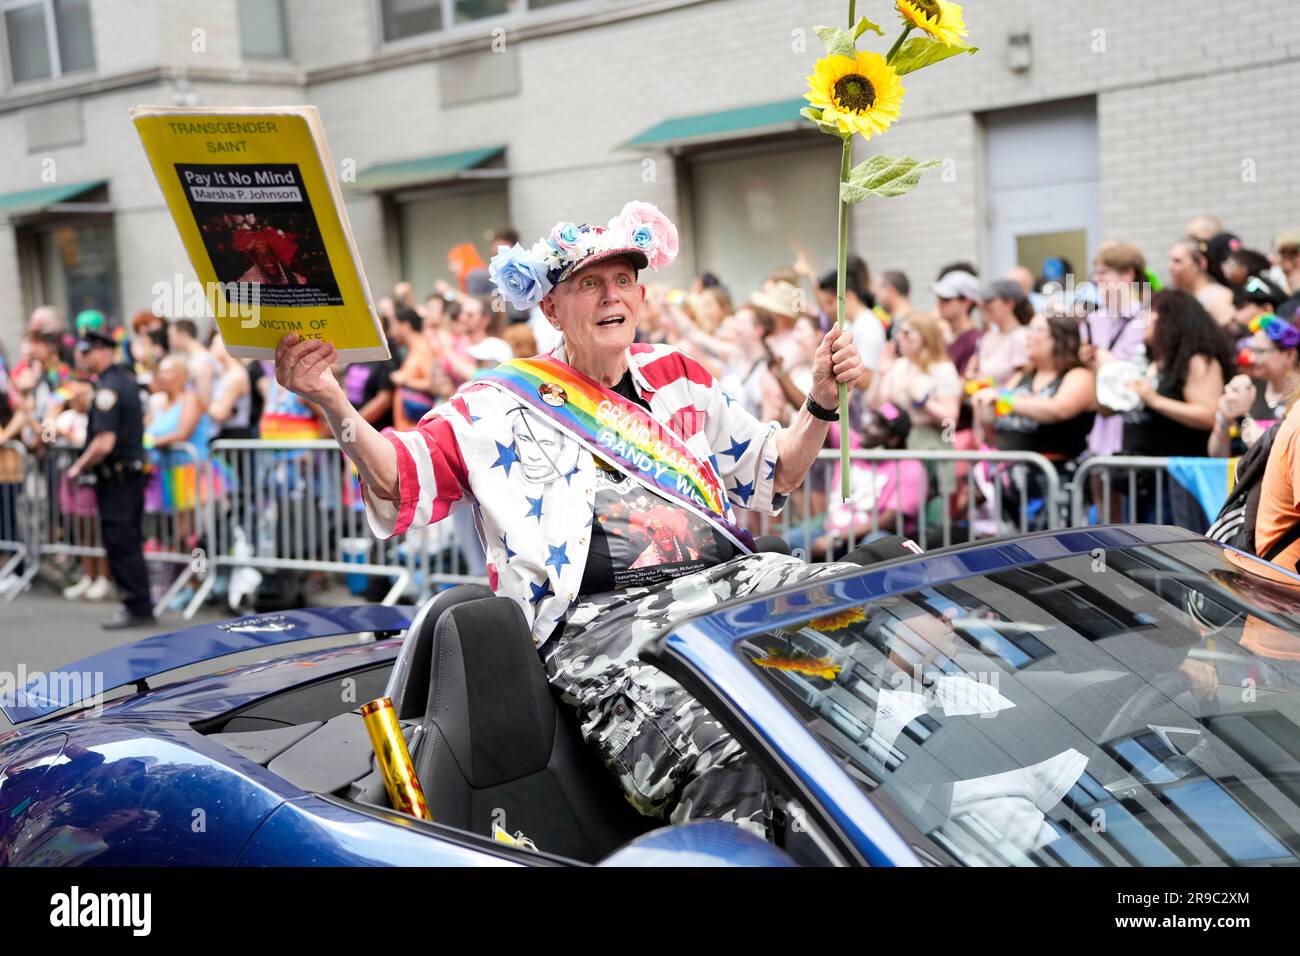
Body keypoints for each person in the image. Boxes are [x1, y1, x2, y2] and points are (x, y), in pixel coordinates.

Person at [272, 200, 863, 837]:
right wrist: (333, 401)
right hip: (602, 629)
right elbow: (398, 474)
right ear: (550, 308)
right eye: (589, 283)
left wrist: (821, 403)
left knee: (871, 622)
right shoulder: (497, 403)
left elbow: (777, 471)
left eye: (624, 280)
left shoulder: (680, 376)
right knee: (733, 756)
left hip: (724, 595)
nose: (613, 295)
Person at [1118, 290, 1234, 531]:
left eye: (1153, 314)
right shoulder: (1154, 361)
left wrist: (1155, 400)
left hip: (1175, 484)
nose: (1145, 320)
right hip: (1142, 480)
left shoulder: (1197, 361)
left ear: (1172, 321)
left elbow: (1209, 414)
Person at [65, 328, 153, 629]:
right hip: (124, 476)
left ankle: (137, 605)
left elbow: (104, 442)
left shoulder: (109, 388)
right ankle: (138, 603)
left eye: (88, 351)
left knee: (121, 540)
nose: (83, 356)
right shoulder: (114, 381)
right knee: (125, 539)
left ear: (104, 351)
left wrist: (78, 466)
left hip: (119, 478)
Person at [974, 313, 1095, 509]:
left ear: (1059, 337)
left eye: (1037, 330)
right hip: (1012, 482)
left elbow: (1059, 409)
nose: (1028, 336)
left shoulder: (1078, 375)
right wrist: (982, 403)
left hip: (1055, 483)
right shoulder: (1023, 375)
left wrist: (1005, 399)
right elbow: (997, 418)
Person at [789, 402, 927, 560]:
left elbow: (888, 521)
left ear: (893, 439)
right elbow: (820, 412)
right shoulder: (853, 446)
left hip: (867, 537)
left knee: (875, 546)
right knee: (792, 540)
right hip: (830, 532)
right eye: (871, 420)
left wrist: (838, 538)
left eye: (877, 425)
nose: (867, 427)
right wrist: (781, 377)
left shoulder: (910, 466)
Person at [1210, 311, 1300, 457]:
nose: (1252, 357)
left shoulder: (1297, 398)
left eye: (1260, 351)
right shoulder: (1246, 390)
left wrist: (1267, 440)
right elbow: (1217, 455)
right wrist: (1223, 418)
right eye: (1251, 350)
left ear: (1289, 355)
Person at [971, 279, 1032, 386]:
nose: (983, 306)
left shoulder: (1021, 336)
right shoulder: (988, 337)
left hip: (1007, 401)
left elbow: (1024, 376)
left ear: (1009, 303)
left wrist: (1001, 396)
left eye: (989, 301)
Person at [1169, 237, 1235, 328]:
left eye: (1177, 261)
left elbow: (1231, 336)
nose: (1171, 267)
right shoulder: (1179, 296)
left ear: (1201, 263)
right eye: (1171, 261)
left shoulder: (1218, 296)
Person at [932, 269, 982, 375]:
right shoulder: (943, 336)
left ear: (966, 302)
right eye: (939, 297)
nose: (939, 303)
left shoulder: (974, 340)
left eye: (946, 299)